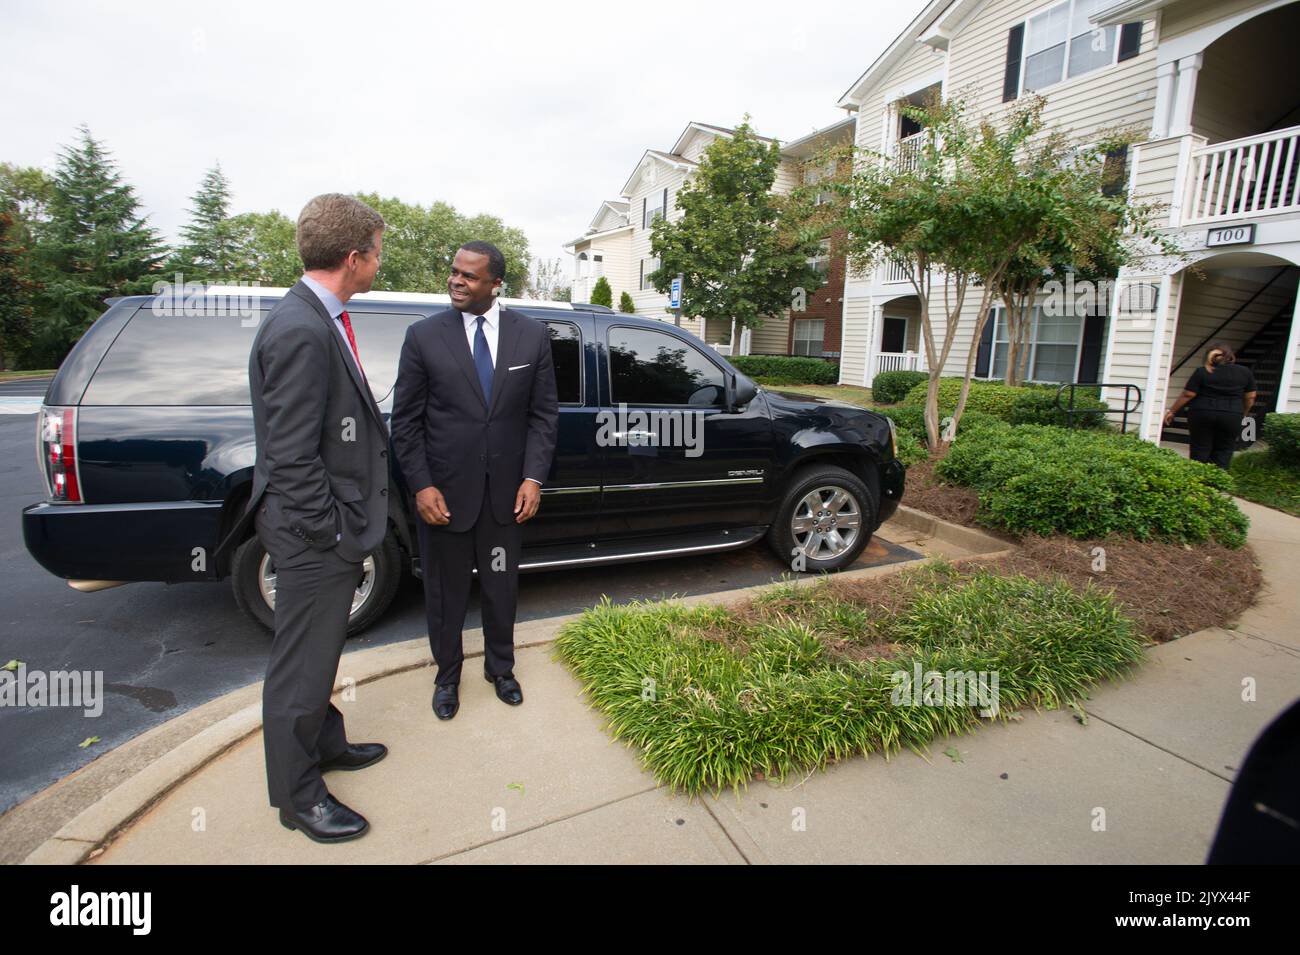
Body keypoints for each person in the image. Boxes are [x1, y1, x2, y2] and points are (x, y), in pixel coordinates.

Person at [224, 193, 391, 843]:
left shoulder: (317, 316)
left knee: (318, 657)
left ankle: (325, 745)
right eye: (376, 253)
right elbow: (292, 457)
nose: (379, 263)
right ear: (353, 257)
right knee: (299, 669)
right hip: (312, 536)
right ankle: (298, 798)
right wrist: (333, 533)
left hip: (322, 532)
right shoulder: (299, 328)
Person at [390, 241, 558, 721]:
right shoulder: (424, 336)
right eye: (454, 272)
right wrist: (421, 485)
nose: (456, 281)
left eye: (469, 276)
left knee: (501, 587)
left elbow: (543, 415)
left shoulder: (531, 337)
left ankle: (500, 670)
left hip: (507, 494)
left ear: (495, 284)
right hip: (443, 495)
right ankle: (446, 678)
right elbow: (406, 421)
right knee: (444, 594)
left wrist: (533, 478)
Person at [1163, 342, 1257, 470]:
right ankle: (1216, 482)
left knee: (1200, 447)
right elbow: (1250, 397)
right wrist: (1243, 412)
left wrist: (1172, 411)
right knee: (1224, 449)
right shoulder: (1244, 372)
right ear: (1231, 356)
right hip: (1231, 414)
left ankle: (1198, 481)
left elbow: (1188, 394)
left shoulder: (1202, 371)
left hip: (1202, 413)